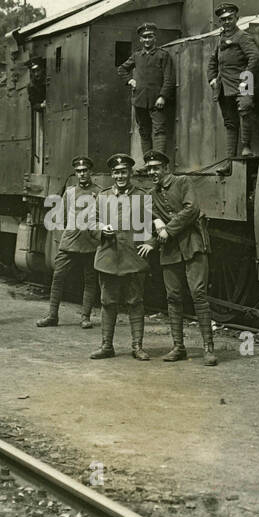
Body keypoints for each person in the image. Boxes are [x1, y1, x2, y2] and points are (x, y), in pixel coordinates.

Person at [139, 149, 215, 365]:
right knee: (173, 297)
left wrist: (168, 229)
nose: (152, 172)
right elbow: (153, 219)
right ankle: (178, 347)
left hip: (193, 245)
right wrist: (155, 226)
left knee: (198, 294)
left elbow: (191, 210)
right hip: (170, 251)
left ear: (166, 168)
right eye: (149, 168)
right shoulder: (152, 195)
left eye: (156, 168)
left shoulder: (182, 182)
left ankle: (208, 348)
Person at [90, 153, 150, 361]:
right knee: (108, 302)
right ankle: (107, 346)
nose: (120, 176)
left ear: (130, 173)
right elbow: (92, 222)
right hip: (108, 257)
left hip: (133, 258)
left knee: (135, 302)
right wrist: (100, 229)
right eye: (116, 172)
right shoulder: (103, 196)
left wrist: (150, 243)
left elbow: (152, 223)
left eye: (124, 172)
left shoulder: (142, 196)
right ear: (112, 174)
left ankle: (137, 346)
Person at [37, 154, 99, 329]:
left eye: (85, 170)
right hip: (70, 242)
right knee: (58, 276)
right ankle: (52, 315)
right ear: (75, 173)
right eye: (78, 171)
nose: (82, 174)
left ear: (90, 171)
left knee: (90, 280)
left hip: (91, 243)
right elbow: (62, 217)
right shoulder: (70, 192)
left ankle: (85, 317)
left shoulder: (99, 192)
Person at [207, 1, 259, 171]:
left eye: (230, 18)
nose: (227, 22)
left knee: (245, 110)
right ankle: (229, 162)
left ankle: (246, 147)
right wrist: (212, 79)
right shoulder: (220, 39)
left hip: (244, 83)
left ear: (236, 18)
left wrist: (246, 77)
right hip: (224, 87)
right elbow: (212, 62)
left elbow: (255, 57)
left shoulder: (242, 36)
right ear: (220, 22)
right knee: (230, 124)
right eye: (223, 19)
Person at [118, 23, 175, 162]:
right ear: (140, 40)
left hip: (157, 101)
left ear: (155, 38)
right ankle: (148, 164)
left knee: (159, 131)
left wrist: (162, 96)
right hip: (140, 100)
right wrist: (130, 80)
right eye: (144, 37)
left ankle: (158, 163)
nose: (147, 40)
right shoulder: (137, 56)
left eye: (150, 36)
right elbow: (122, 69)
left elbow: (169, 78)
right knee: (144, 132)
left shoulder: (163, 55)